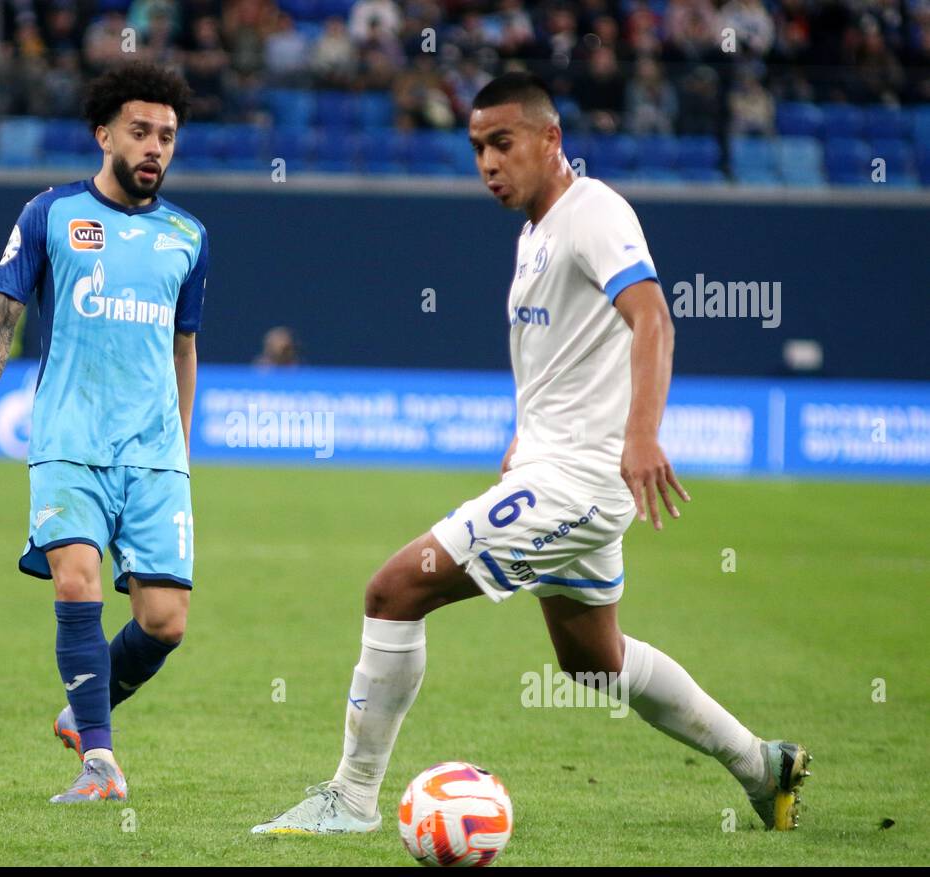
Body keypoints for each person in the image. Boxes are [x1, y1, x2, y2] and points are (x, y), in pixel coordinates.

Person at [252, 72, 808, 836]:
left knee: (391, 592)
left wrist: (642, 434)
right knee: (593, 660)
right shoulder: (535, 233)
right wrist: (525, 438)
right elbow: (565, 359)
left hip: (580, 481)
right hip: (556, 470)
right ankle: (762, 766)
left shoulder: (594, 213)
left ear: (550, 139)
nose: (487, 162)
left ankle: (349, 799)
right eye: (478, 146)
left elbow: (653, 319)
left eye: (502, 144)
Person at [0, 62, 208, 804]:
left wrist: (181, 449)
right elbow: (2, 321)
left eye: (166, 135)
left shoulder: (188, 237)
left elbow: (183, 347)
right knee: (77, 579)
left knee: (163, 623)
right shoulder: (50, 215)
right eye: (140, 132)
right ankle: (99, 762)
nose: (155, 146)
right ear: (104, 134)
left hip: (155, 453)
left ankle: (81, 714)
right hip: (69, 438)